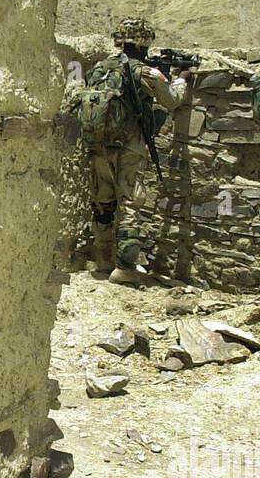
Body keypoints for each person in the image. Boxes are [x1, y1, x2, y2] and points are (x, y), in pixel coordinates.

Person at [77, 17, 189, 285]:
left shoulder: (99, 69)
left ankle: (103, 261)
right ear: (144, 43)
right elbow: (171, 100)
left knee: (102, 201)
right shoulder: (143, 72)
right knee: (130, 202)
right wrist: (182, 80)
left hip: (99, 145)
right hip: (129, 147)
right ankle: (125, 268)